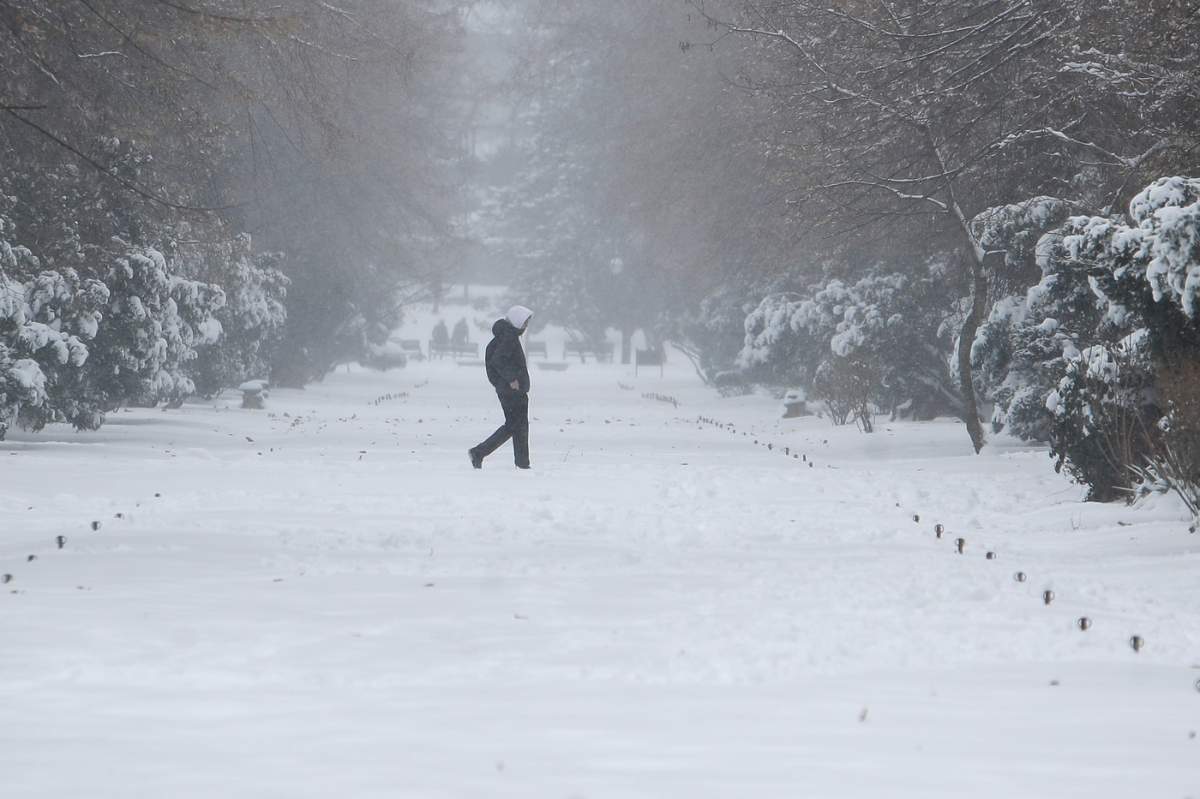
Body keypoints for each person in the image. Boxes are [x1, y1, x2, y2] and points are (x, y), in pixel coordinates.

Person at [469, 305, 533, 470]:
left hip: (507, 390)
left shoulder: (505, 335)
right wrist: (512, 379)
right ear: (517, 321)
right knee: (515, 426)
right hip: (512, 391)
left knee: (518, 426)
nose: (526, 326)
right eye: (525, 322)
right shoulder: (509, 337)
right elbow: (498, 360)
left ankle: (522, 463)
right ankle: (479, 452)